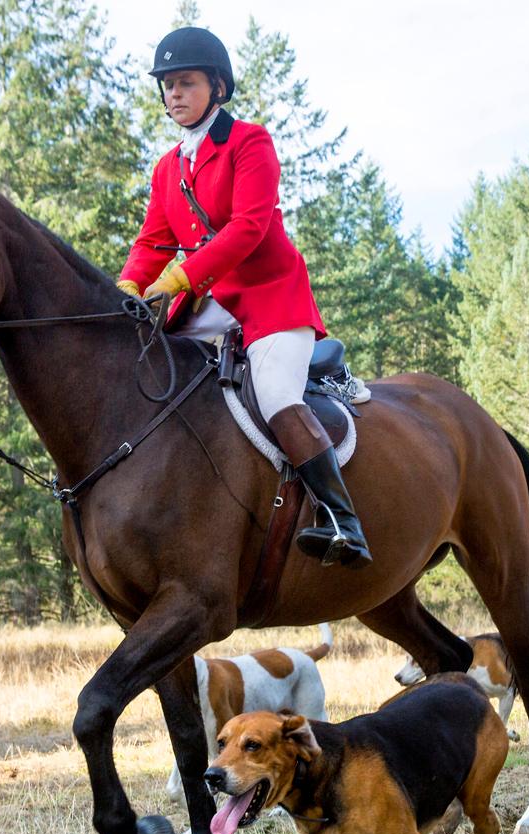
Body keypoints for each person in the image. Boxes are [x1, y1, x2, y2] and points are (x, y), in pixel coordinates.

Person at [115, 26, 371, 568]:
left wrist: (182, 278)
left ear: (217, 87)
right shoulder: (168, 168)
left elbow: (249, 228)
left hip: (270, 299)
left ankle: (343, 522)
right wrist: (129, 286)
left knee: (277, 395)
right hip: (213, 306)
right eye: (167, 85)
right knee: (152, 368)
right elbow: (152, 241)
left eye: (185, 83)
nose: (174, 94)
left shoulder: (249, 142)